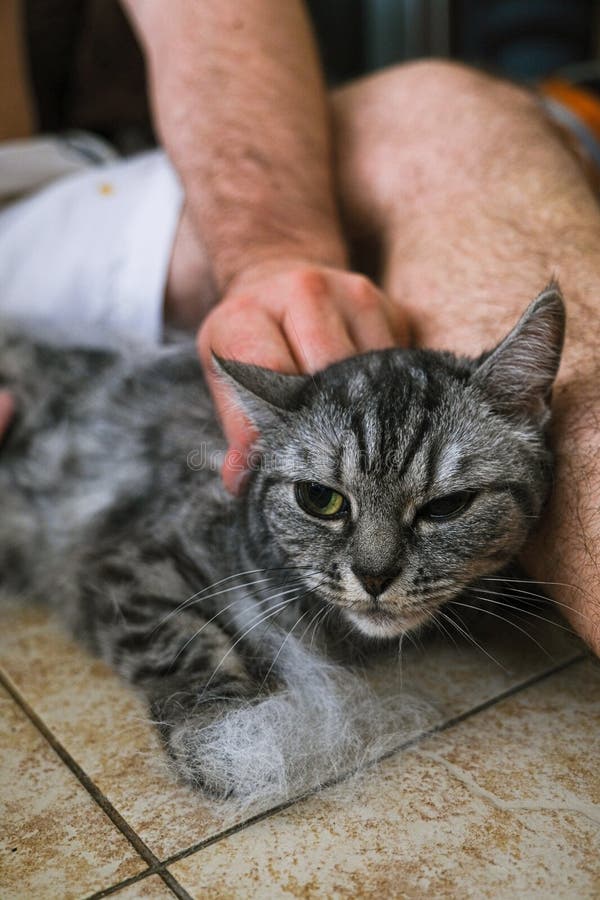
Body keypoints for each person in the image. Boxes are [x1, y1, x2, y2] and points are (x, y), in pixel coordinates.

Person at [1, 0, 599, 655]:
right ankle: (565, 111)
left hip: (37, 197)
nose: (376, 567)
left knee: (444, 120)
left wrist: (276, 252)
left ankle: (560, 97)